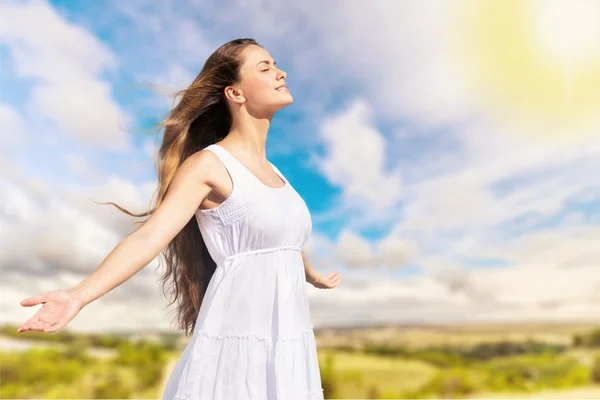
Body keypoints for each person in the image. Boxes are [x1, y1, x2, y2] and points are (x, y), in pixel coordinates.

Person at [17, 38, 341, 399]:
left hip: (288, 334)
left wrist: (312, 276)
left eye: (275, 65)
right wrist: (77, 296)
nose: (280, 72)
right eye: (264, 68)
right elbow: (150, 237)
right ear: (235, 92)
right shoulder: (208, 165)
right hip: (239, 336)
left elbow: (281, 240)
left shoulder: (277, 174)